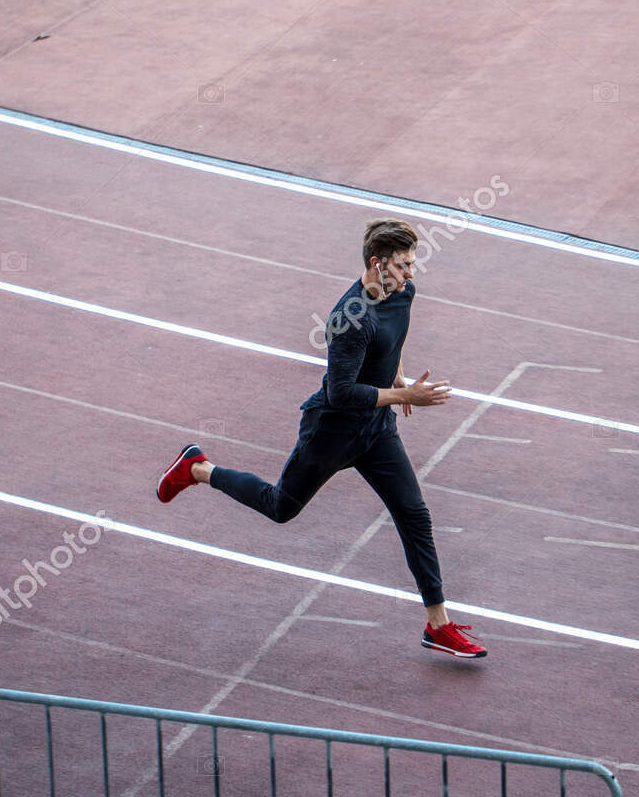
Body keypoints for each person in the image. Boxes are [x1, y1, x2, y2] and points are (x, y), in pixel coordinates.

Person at [155, 218, 486, 658]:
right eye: (404, 265)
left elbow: (396, 338)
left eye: (413, 263)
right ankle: (197, 468)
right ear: (377, 263)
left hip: (376, 431)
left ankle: (437, 625)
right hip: (332, 431)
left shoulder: (403, 292)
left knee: (414, 515)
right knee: (280, 507)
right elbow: (341, 393)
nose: (412, 273)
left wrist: (399, 378)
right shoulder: (348, 319)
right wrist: (404, 394)